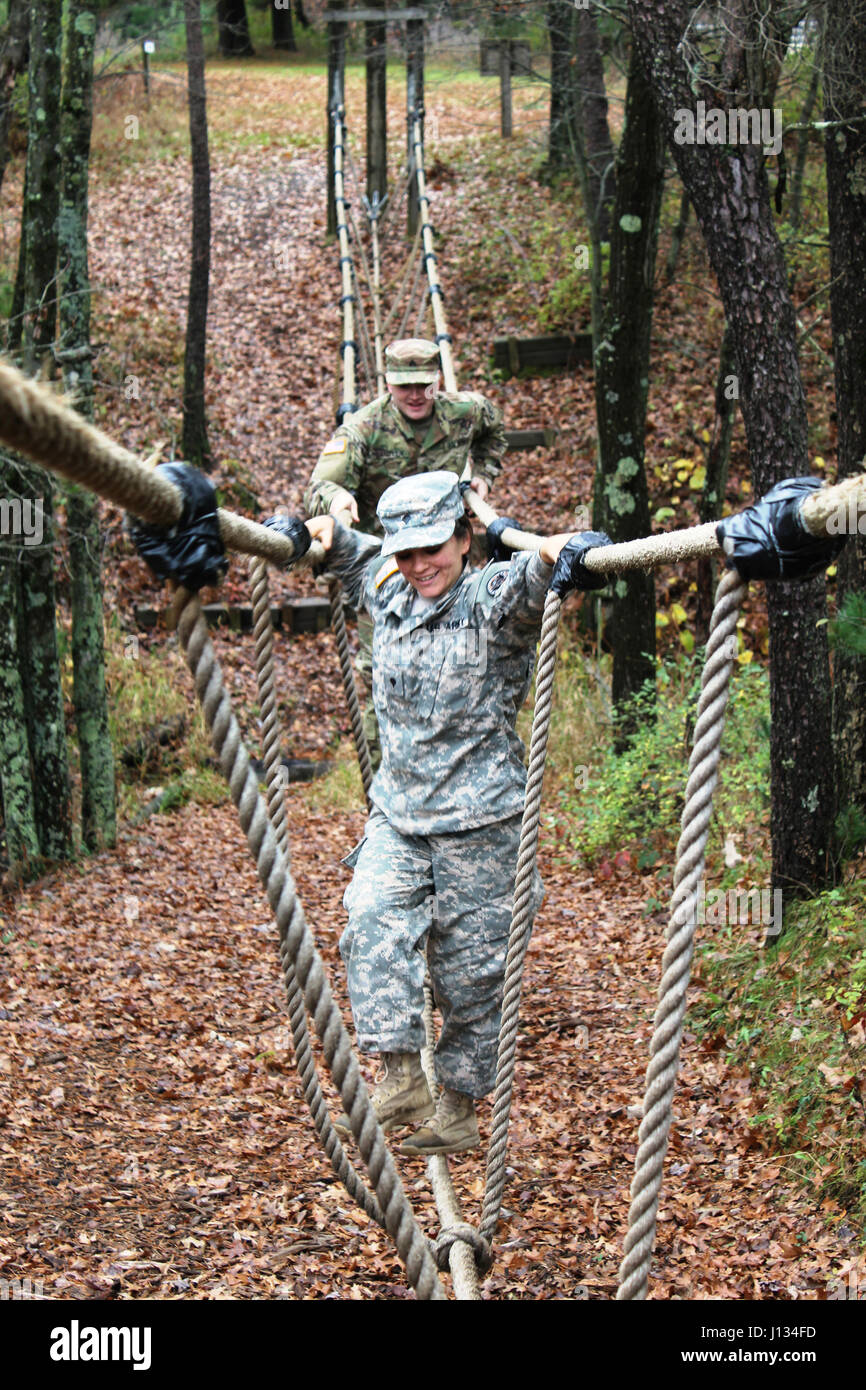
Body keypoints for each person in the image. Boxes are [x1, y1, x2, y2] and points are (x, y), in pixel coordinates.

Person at [296, 471, 611, 1155]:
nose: (418, 566)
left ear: (465, 538)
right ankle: (402, 1073)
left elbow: (538, 572)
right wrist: (320, 530)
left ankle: (461, 1108)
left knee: (473, 979)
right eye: (405, 552)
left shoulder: (489, 597)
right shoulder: (386, 585)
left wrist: (569, 553)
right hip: (401, 816)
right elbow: (350, 549)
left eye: (432, 548)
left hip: (483, 824)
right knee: (371, 917)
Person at [304, 338, 508, 768]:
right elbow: (321, 484)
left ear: (437, 379)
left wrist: (484, 476)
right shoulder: (363, 428)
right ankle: (388, 782)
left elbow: (493, 432)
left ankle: (460, 770)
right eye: (403, 386)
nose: (415, 395)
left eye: (423, 384)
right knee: (386, 674)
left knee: (467, 664)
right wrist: (338, 502)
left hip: (451, 568)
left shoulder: (465, 412)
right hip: (388, 573)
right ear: (386, 384)